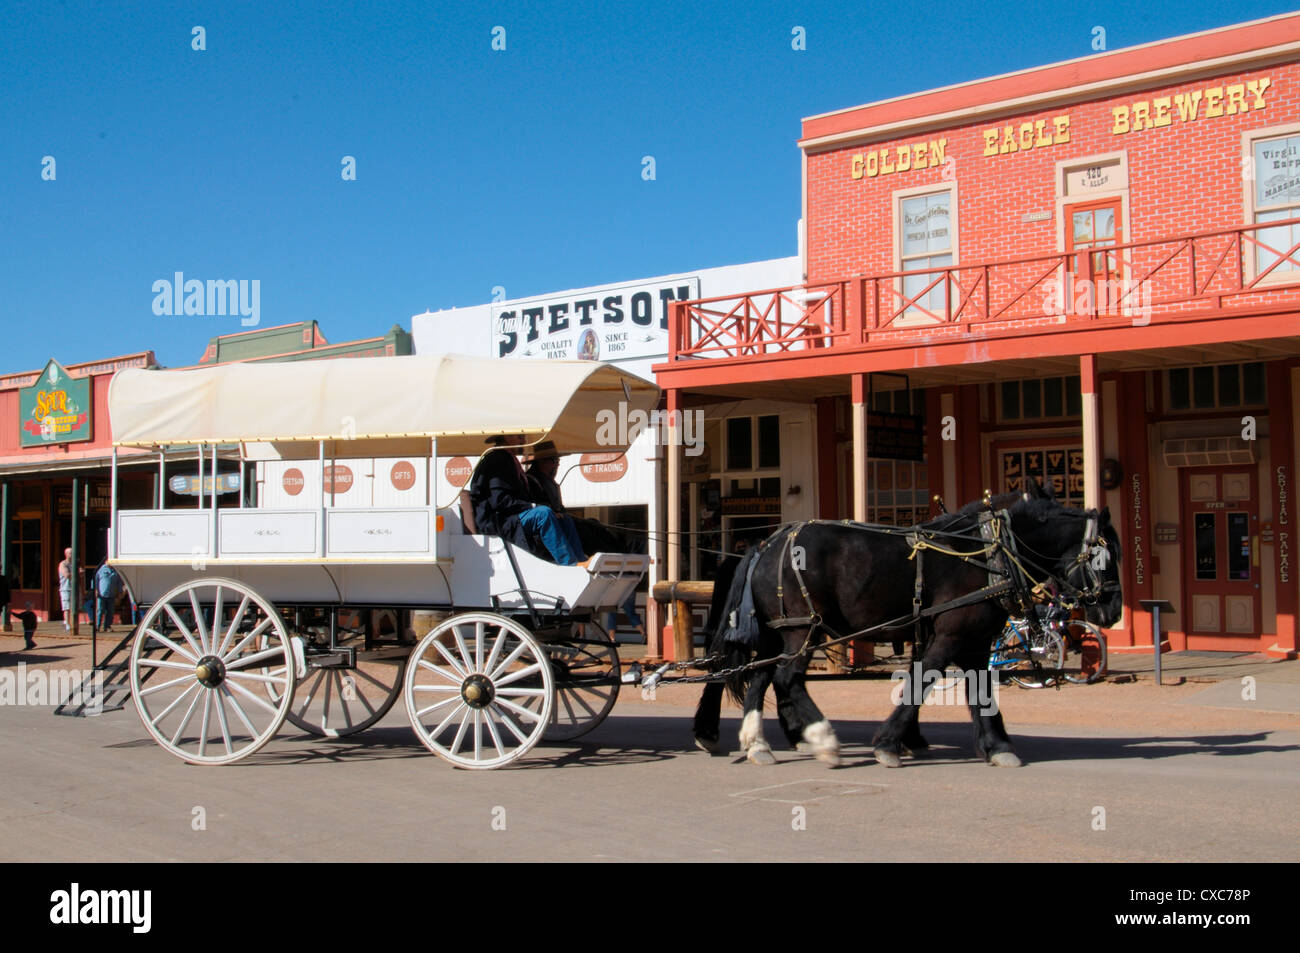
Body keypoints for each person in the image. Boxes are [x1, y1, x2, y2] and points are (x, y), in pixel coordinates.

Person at [524, 441, 643, 635]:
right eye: (554, 461)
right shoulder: (532, 480)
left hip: (559, 521)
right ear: (544, 462)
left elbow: (558, 507)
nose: (557, 464)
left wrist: (560, 513)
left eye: (557, 461)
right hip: (546, 525)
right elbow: (535, 505)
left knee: (594, 524)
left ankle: (608, 553)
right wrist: (556, 513)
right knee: (585, 527)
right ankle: (585, 559)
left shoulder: (551, 483)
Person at [469, 435, 586, 566]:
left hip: (511, 515)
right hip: (498, 520)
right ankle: (568, 563)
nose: (524, 441)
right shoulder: (497, 459)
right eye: (520, 437)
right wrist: (532, 506)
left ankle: (580, 560)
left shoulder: (507, 458)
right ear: (507, 438)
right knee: (543, 514)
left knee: (564, 519)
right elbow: (500, 501)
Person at [93, 560, 121, 631]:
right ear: (106, 562)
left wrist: (119, 592)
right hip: (101, 594)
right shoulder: (101, 570)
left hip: (112, 595)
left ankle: (107, 626)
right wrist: (96, 590)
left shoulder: (116, 571)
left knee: (110, 612)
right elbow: (95, 580)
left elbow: (119, 583)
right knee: (100, 610)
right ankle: (97, 626)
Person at [57, 547, 73, 631]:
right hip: (65, 588)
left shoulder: (74, 564)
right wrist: (77, 572)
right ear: (66, 554)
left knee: (74, 607)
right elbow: (66, 575)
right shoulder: (63, 564)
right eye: (70, 553)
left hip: (74, 588)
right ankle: (67, 624)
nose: (72, 555)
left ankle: (71, 623)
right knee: (67, 608)